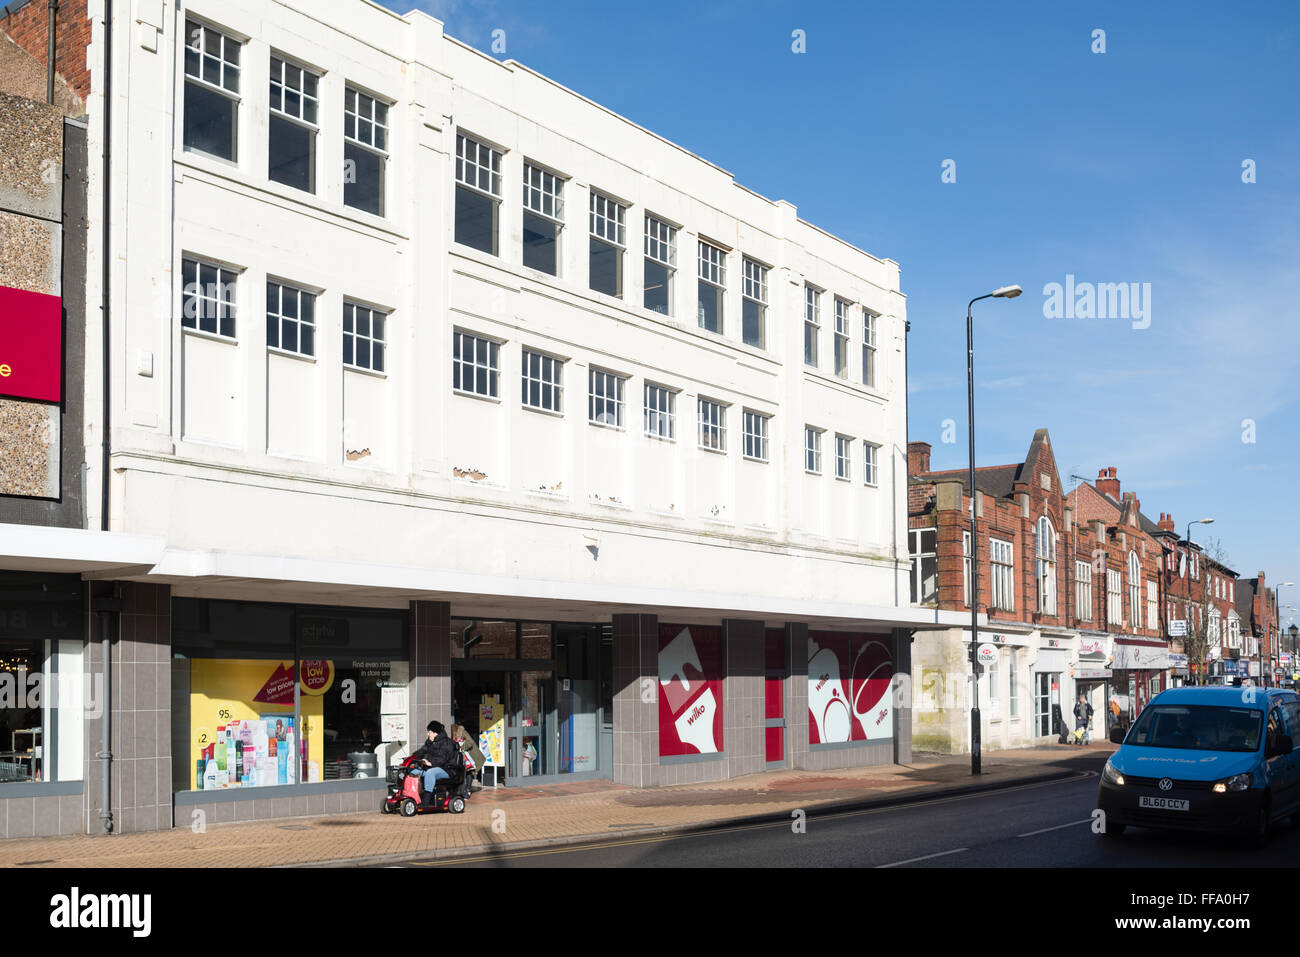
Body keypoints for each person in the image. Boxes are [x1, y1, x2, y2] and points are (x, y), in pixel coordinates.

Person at [411, 720, 460, 805]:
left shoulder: (447, 743)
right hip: (432, 767)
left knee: (430, 773)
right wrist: (411, 758)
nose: (428, 734)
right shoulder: (430, 742)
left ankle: (426, 800)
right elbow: (422, 750)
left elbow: (443, 758)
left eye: (429, 732)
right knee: (412, 771)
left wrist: (431, 763)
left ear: (435, 733)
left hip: (447, 769)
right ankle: (412, 796)